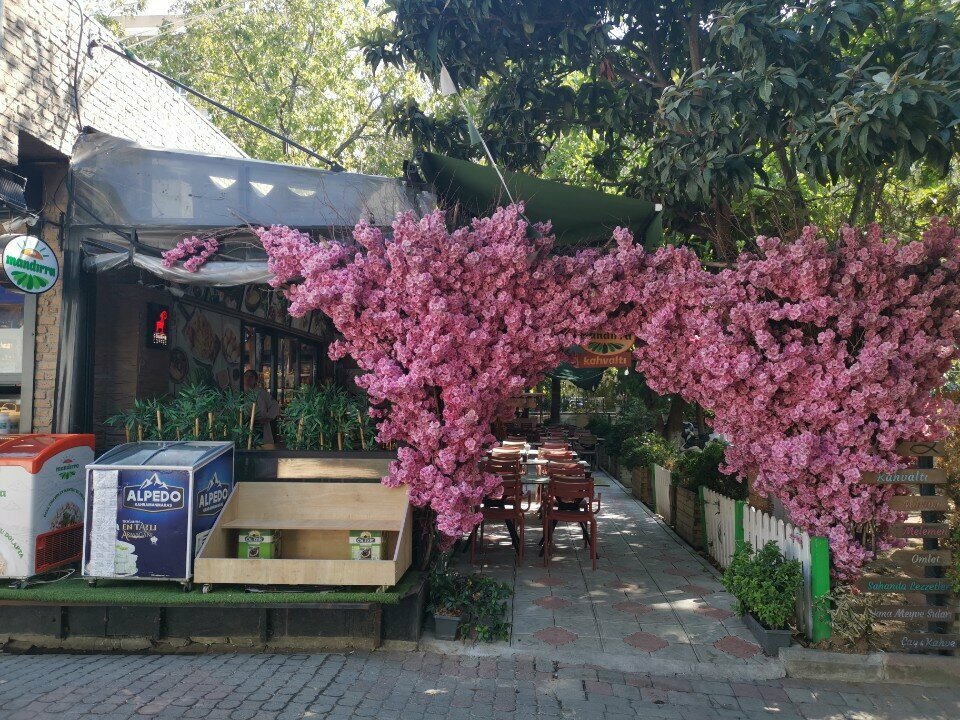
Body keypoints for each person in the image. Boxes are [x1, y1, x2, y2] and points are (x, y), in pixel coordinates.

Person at [243, 370, 280, 447]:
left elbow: (274, 405)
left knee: (260, 448)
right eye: (246, 376)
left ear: (256, 380)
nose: (248, 379)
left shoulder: (262, 393)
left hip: (260, 425)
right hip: (244, 425)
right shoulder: (240, 392)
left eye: (251, 377)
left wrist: (268, 418)